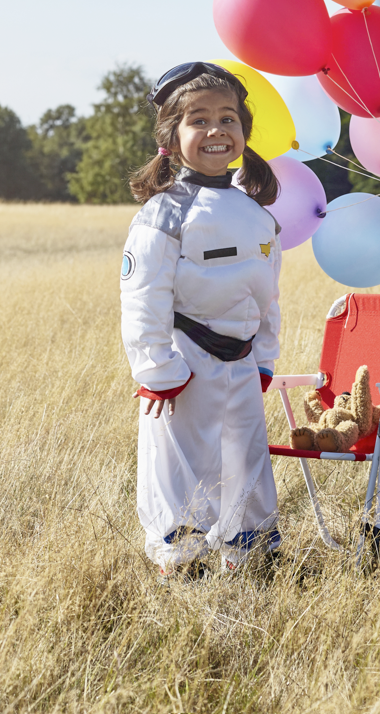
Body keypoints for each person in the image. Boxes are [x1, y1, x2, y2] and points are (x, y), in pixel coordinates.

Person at [119, 61, 283, 582]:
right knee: (181, 463)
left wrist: (265, 355)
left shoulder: (257, 213)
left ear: (244, 132)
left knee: (247, 459)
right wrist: (156, 369)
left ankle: (251, 551)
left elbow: (268, 292)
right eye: (199, 120)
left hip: (242, 360)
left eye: (228, 118)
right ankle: (180, 559)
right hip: (186, 359)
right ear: (171, 136)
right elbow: (143, 295)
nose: (216, 131)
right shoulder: (163, 213)